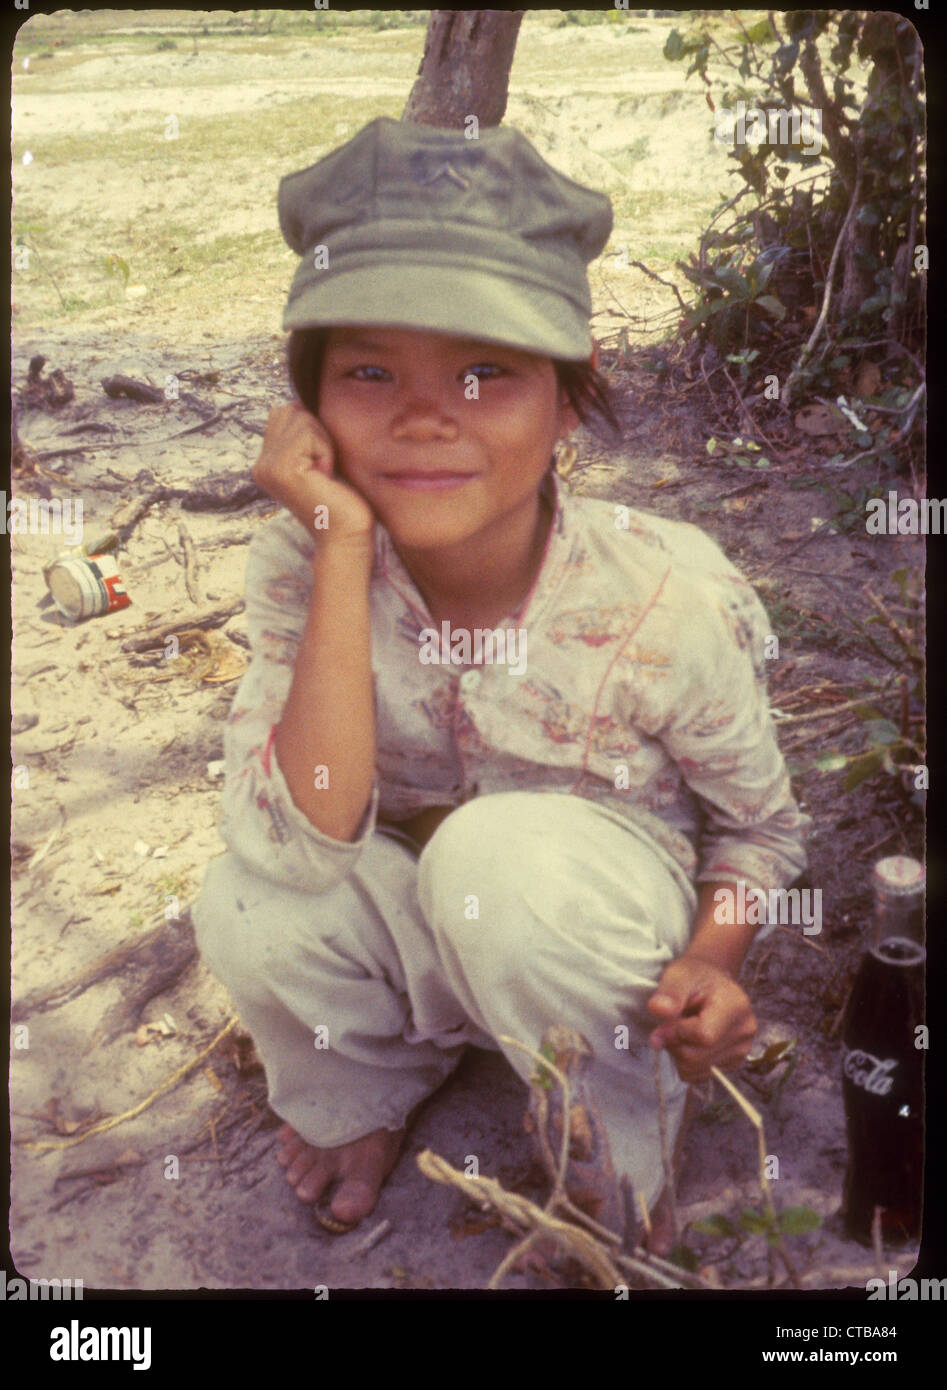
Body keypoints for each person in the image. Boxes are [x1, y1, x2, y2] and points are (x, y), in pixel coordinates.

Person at [192, 117, 809, 1254]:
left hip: (590, 939)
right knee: (247, 897)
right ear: (309, 411)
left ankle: (614, 1137)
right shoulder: (302, 557)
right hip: (430, 934)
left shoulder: (662, 595)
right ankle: (371, 1084)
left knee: (500, 859)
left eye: (487, 371)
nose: (426, 415)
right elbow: (300, 844)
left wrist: (708, 964)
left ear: (566, 404)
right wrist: (336, 546)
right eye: (368, 370)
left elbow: (760, 834)